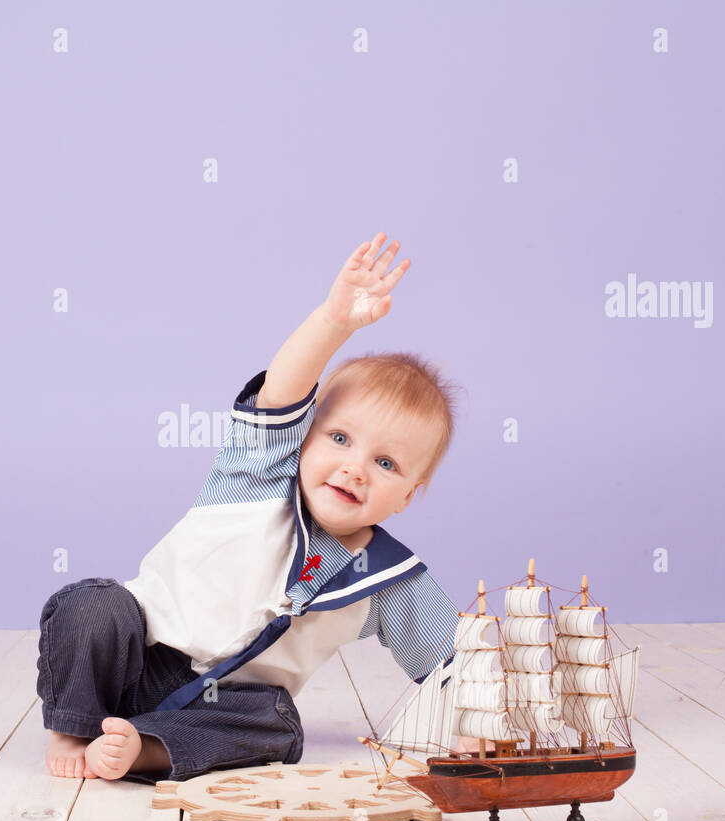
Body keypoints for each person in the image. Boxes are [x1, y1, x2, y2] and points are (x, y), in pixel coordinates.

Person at [38, 232, 470, 783]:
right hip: (136, 656)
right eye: (339, 439)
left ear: (409, 495)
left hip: (221, 705)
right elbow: (284, 390)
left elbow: (453, 664)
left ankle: (147, 748)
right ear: (302, 436)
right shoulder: (257, 478)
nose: (355, 468)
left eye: (386, 464)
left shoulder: (390, 580)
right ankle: (76, 728)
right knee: (93, 606)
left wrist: (474, 719)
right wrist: (335, 321)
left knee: (279, 722)